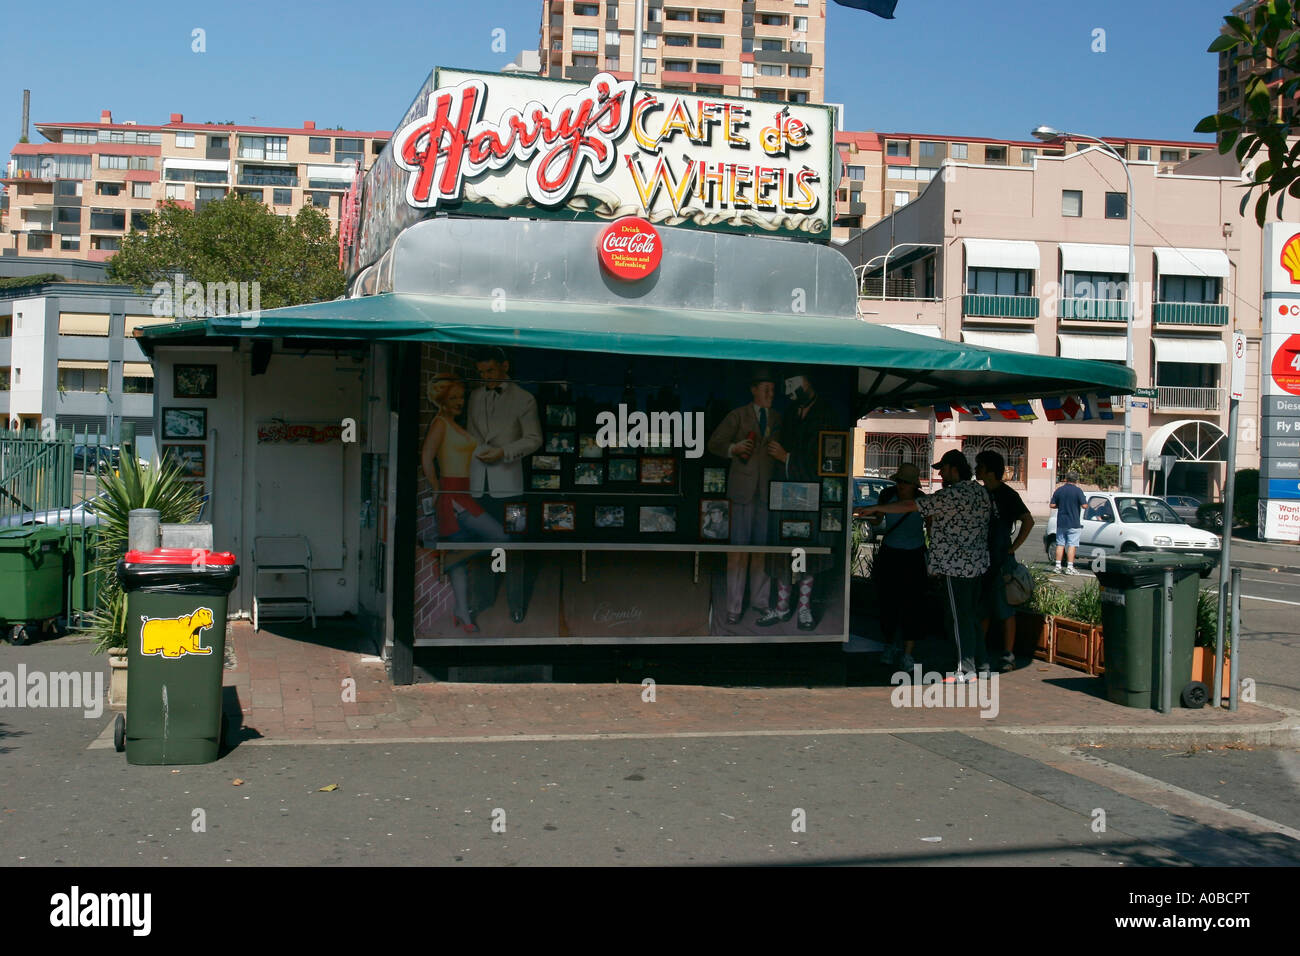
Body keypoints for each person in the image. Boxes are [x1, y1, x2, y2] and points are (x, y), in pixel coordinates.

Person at [865, 449, 991, 683]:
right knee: (970, 617)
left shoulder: (952, 495)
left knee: (958, 619)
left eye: (943, 469)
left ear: (954, 468)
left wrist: (878, 508)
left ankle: (966, 669)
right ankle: (981, 665)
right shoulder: (980, 492)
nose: (941, 474)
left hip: (957, 566)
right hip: (978, 564)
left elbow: (911, 506)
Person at [420, 373, 508, 634]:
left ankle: (460, 607)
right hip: (452, 495)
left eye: (461, 397)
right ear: (442, 400)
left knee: (460, 554)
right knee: (500, 536)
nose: (460, 401)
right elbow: (427, 457)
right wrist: (437, 488)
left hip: (464, 492)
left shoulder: (454, 423)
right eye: (454, 397)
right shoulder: (440, 423)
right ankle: (461, 604)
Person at [465, 346, 543, 622]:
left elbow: (534, 439)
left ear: (505, 367)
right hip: (478, 487)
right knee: (479, 543)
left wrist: (504, 452)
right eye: (481, 372)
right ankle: (482, 600)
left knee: (515, 545)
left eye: (490, 371)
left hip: (512, 489)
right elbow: (472, 436)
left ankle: (516, 604)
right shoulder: (474, 396)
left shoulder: (524, 399)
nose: (485, 377)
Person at [759, 370, 835, 630]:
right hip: (785, 495)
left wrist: (786, 457)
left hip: (810, 499)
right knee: (783, 554)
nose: (789, 392)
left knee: (807, 555)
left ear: (808, 381)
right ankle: (782, 607)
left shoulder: (826, 414)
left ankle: (803, 608)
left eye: (793, 385)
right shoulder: (792, 412)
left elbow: (827, 460)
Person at [706, 366, 782, 626]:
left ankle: (760, 602)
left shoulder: (778, 419)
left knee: (761, 550)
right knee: (737, 552)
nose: (771, 393)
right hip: (741, 493)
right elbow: (714, 443)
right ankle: (734, 607)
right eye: (766, 389)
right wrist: (733, 448)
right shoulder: (737, 415)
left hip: (766, 493)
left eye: (772, 389)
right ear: (753, 390)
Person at [975, 450, 1034, 672]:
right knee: (984, 609)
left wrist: (1012, 548)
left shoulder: (1007, 494)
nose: (976, 469)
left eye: (979, 465)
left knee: (1004, 607)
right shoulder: (979, 492)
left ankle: (1007, 654)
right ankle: (982, 652)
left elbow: (1028, 520)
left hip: (1000, 561)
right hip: (982, 559)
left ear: (989, 470)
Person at [865, 462, 927, 670]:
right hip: (891, 552)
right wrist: (870, 517)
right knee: (888, 602)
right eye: (900, 481)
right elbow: (877, 520)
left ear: (914, 485)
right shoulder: (887, 495)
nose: (902, 486)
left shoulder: (922, 501)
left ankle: (908, 652)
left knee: (913, 605)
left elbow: (933, 525)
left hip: (914, 554)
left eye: (906, 483)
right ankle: (890, 644)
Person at [1050, 471, 1087, 575]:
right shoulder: (1078, 491)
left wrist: (1060, 505)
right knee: (1072, 545)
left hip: (1061, 522)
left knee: (1060, 544)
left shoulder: (1059, 490)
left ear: (1066, 479)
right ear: (1076, 480)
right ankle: (1070, 567)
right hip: (1074, 522)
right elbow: (1084, 505)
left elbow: (1052, 505)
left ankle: (1057, 566)